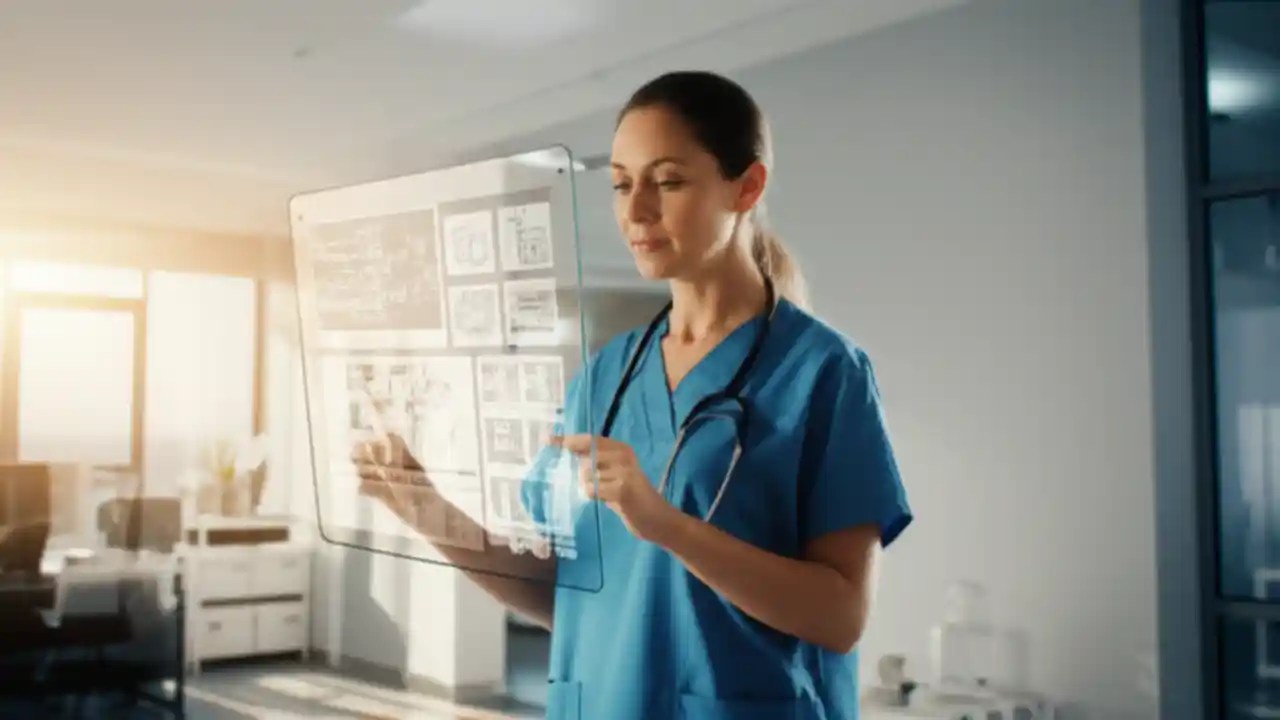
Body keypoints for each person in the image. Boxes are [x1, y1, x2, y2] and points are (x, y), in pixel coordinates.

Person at [358, 70, 912, 720]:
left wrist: (665, 525)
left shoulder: (822, 372)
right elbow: (565, 595)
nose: (636, 210)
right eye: (622, 184)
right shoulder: (606, 377)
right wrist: (423, 507)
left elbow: (841, 616)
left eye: (668, 181)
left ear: (747, 186)